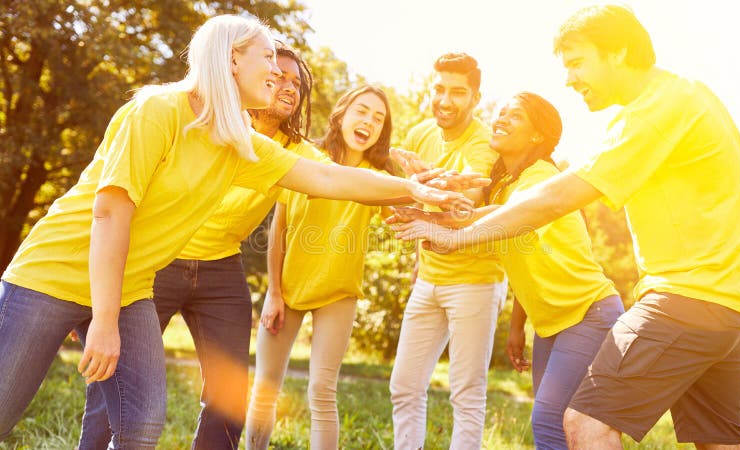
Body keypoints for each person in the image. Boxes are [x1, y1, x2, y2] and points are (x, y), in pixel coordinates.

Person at [0, 14, 471, 448]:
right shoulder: (159, 110)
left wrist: (418, 192)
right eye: (268, 57)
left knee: (142, 421)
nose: (279, 71)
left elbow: (329, 178)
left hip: (128, 287)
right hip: (52, 276)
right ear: (230, 59)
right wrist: (103, 322)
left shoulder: (238, 143)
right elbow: (109, 213)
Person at [391, 5, 740, 449]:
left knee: (584, 423)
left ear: (619, 52)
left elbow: (556, 198)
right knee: (719, 441)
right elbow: (523, 208)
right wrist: (452, 218)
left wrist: (457, 233)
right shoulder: (689, 95)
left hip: (689, 297)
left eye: (576, 63)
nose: (569, 78)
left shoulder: (654, 111)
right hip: (739, 300)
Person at [77, 41, 314, 450]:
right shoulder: (213, 124)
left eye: (298, 83)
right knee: (114, 380)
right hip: (160, 261)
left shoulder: (295, 153)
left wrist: (414, 186)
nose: (289, 86)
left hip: (222, 270)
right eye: (279, 75)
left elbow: (341, 177)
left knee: (229, 392)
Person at [389, 92, 624, 449]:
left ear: (537, 135)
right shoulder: (510, 187)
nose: (499, 120)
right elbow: (523, 255)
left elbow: (503, 221)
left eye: (513, 116)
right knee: (557, 425)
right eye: (499, 113)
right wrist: (425, 215)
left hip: (588, 313)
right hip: (551, 324)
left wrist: (443, 231)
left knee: (548, 421)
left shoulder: (542, 177)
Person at [246, 84, 400, 450]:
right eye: (362, 111)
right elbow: (278, 230)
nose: (368, 122)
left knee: (322, 390)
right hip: (289, 289)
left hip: (338, 293)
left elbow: (402, 216)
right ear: (342, 113)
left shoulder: (377, 175)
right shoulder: (304, 157)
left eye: (378, 119)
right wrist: (274, 293)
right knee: (266, 388)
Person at [388, 52, 507, 450]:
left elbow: (467, 208)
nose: (445, 100)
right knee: (404, 385)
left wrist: (426, 180)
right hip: (430, 278)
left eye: (458, 92)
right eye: (439, 88)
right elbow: (409, 199)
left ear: (475, 97)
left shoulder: (484, 142)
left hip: (474, 281)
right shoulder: (422, 133)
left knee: (466, 394)